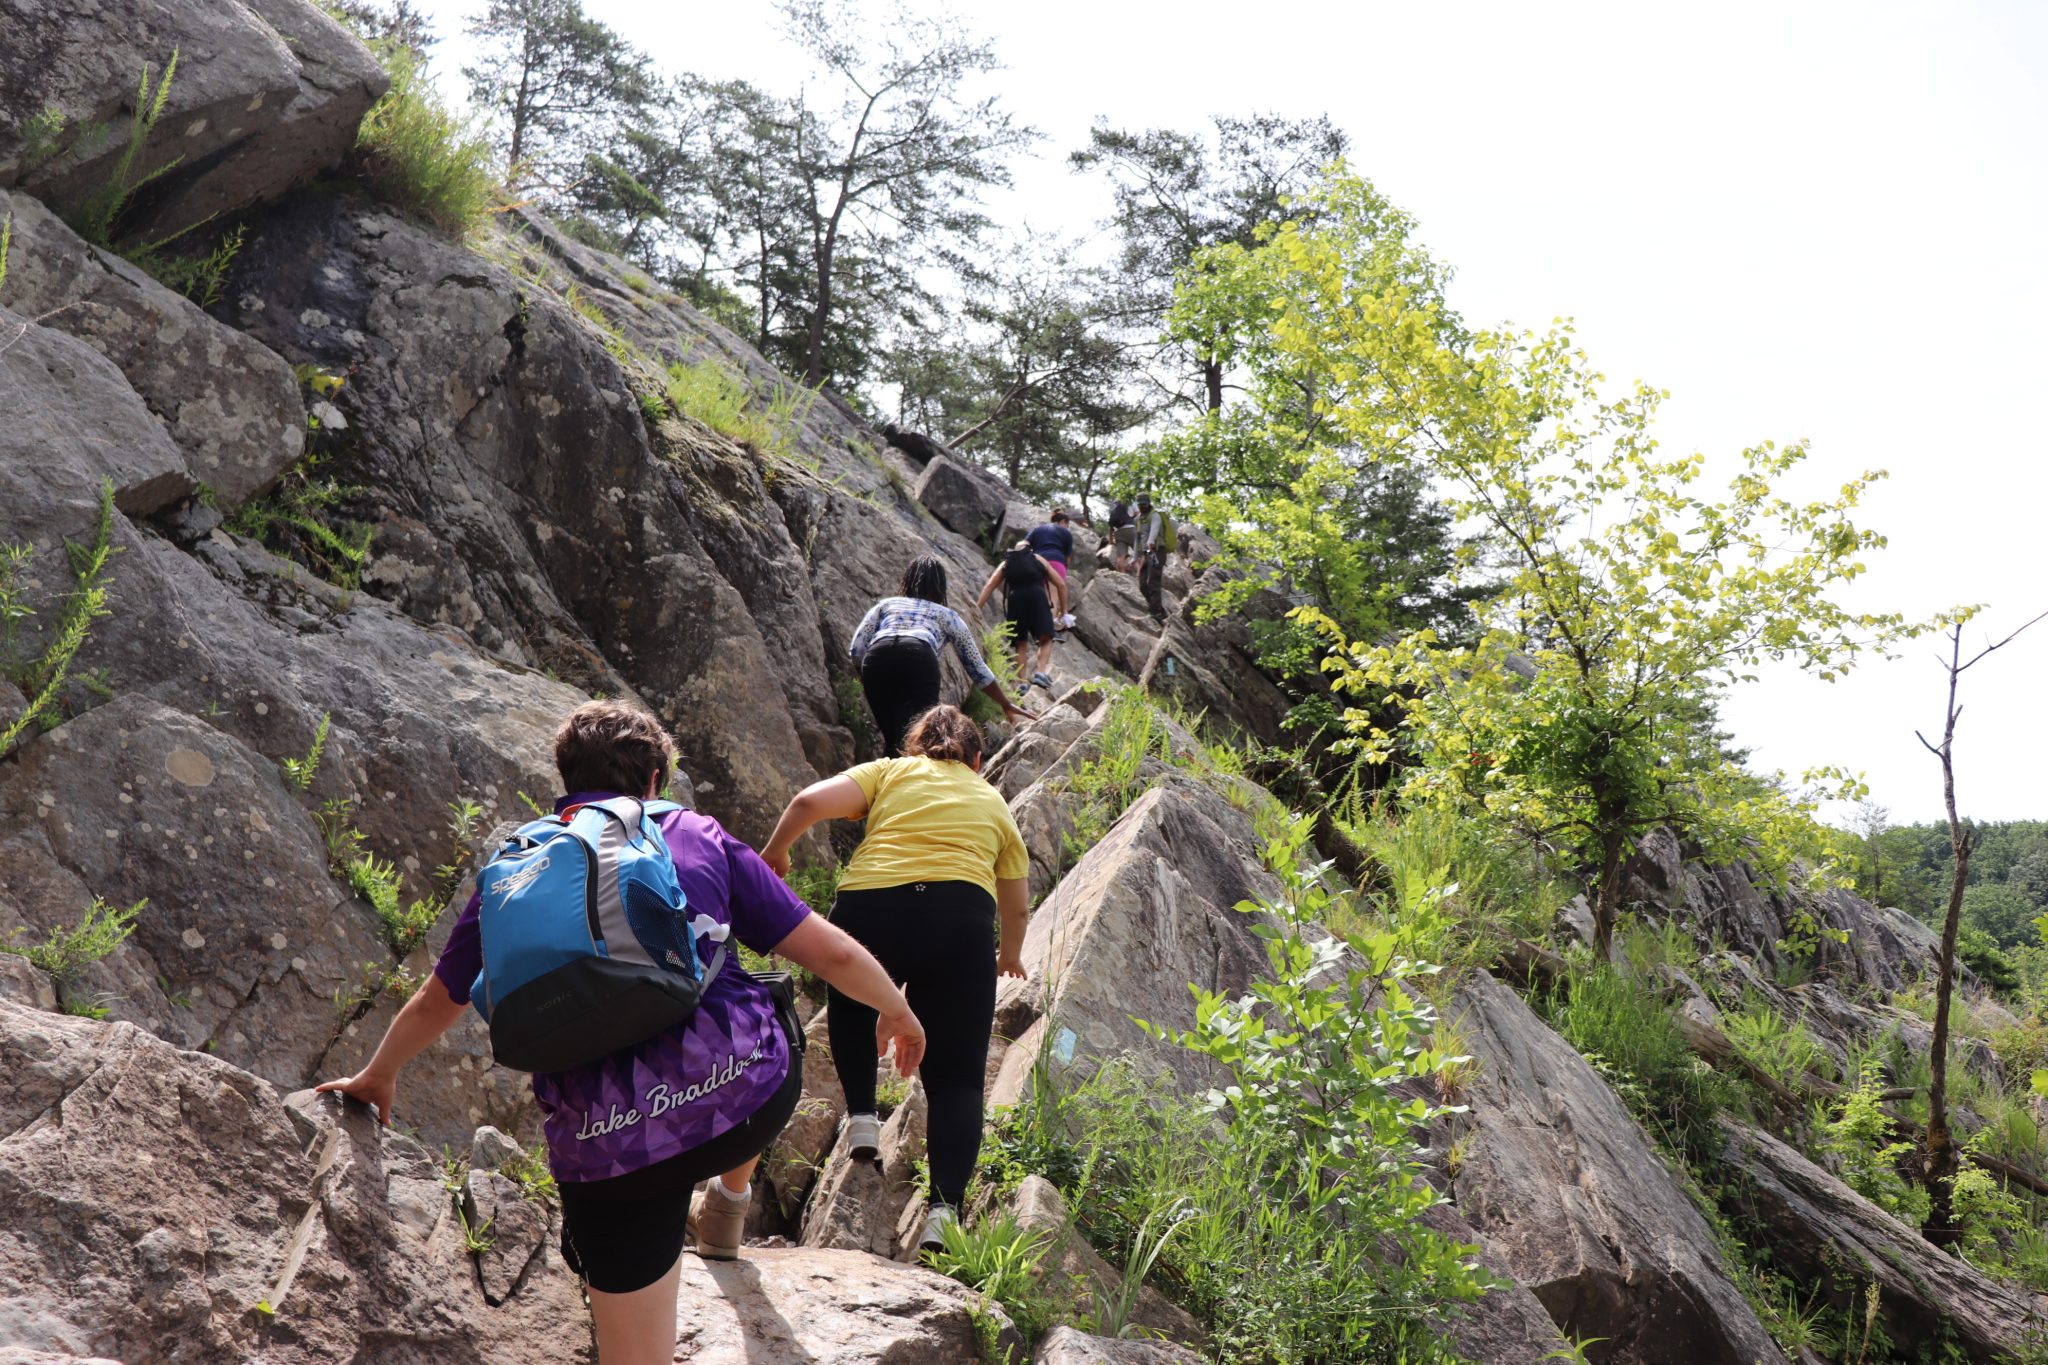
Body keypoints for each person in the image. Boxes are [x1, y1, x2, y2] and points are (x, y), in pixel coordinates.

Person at [316, 700, 926, 1365]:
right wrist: (896, 1007)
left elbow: (440, 1000)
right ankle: (730, 1195)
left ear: (565, 778)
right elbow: (830, 954)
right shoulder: (696, 834)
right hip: (741, 1101)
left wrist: (378, 1073)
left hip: (605, 1149)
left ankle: (673, 1225)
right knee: (769, 1003)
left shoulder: (522, 863)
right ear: (655, 778)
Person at [759, 705, 1028, 1254]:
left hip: (871, 908)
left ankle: (861, 1120)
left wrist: (775, 852)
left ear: (915, 748)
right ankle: (943, 1215)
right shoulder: (993, 800)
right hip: (959, 919)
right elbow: (1016, 906)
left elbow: (807, 802)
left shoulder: (888, 773)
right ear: (977, 760)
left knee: (854, 1004)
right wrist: (1011, 954)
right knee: (956, 1078)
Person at [848, 555, 1033, 755]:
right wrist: (1006, 703)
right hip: (918, 658)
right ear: (941, 586)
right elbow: (977, 668)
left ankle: (884, 780)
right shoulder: (947, 615)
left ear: (907, 581)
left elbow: (857, 650)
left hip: (877, 658)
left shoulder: (886, 605)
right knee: (917, 737)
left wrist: (871, 674)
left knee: (892, 736)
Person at [976, 539, 1067, 693]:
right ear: (1029, 549)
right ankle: (1040, 672)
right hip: (1037, 597)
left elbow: (990, 585)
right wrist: (1063, 610)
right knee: (1046, 638)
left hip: (1015, 599)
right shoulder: (1037, 558)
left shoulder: (1006, 563)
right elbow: (1061, 584)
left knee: (1020, 643)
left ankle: (1022, 683)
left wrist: (976, 608)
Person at [1026, 509, 1079, 635]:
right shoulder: (1065, 533)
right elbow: (1068, 558)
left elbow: (1025, 544)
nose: (1067, 527)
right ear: (1062, 521)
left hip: (1037, 563)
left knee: (1041, 593)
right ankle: (1047, 630)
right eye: (1067, 524)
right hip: (1056, 563)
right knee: (1053, 597)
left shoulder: (1038, 529)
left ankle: (1033, 623)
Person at [1134, 494, 1171, 620]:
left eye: (1144, 504)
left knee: (1153, 581)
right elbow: (1137, 538)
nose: (1142, 507)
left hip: (1157, 551)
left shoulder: (1155, 515)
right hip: (1147, 553)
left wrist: (1151, 541)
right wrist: (1135, 557)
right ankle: (1157, 608)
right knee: (1142, 584)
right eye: (1140, 505)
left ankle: (1155, 612)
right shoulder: (1139, 518)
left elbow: (1154, 530)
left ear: (1148, 503)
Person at [1107, 497, 1136, 572]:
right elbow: (1139, 515)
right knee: (1139, 552)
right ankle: (1139, 574)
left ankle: (1122, 575)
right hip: (1130, 529)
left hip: (1118, 533)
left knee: (1121, 556)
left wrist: (1111, 541)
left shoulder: (1113, 509)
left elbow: (1110, 527)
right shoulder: (1130, 503)